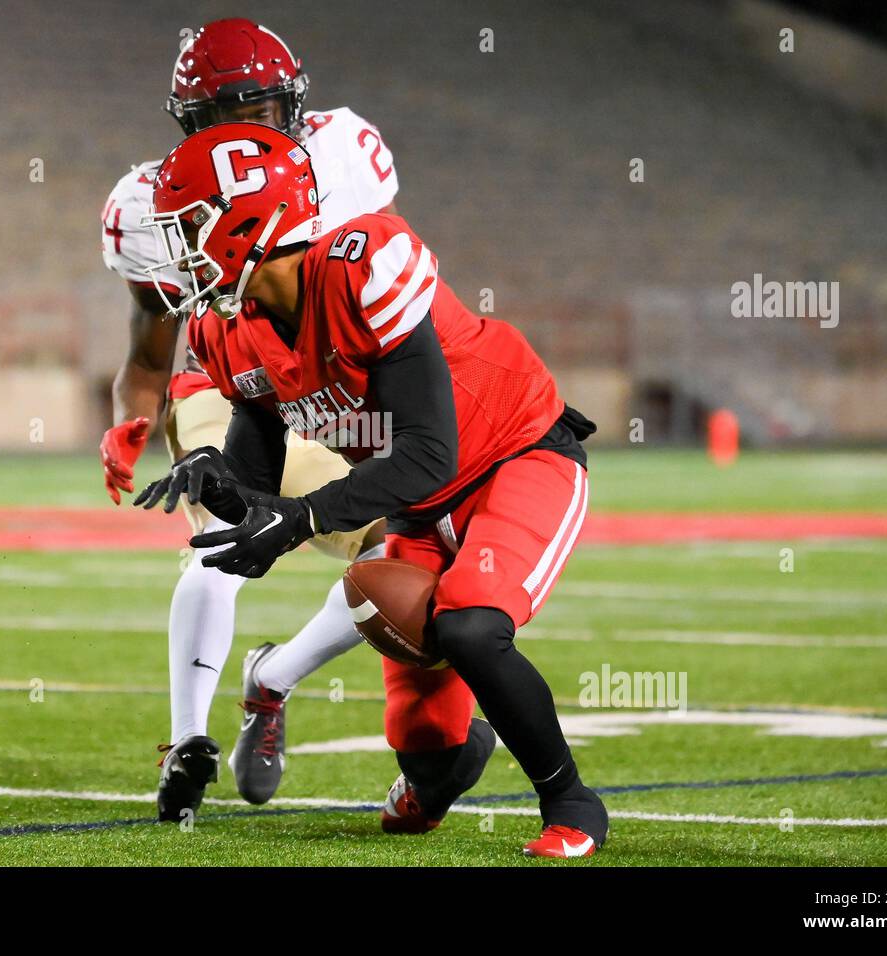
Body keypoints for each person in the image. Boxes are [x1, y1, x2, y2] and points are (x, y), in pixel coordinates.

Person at [135, 122, 609, 858]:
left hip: (515, 455)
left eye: (192, 224)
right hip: (423, 504)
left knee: (471, 628)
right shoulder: (231, 332)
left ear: (246, 222)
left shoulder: (361, 266)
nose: (182, 249)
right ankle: (443, 770)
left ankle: (572, 802)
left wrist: (301, 520)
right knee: (427, 751)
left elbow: (426, 450)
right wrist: (219, 484)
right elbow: (260, 500)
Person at [97, 19, 400, 820]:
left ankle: (274, 678)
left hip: (332, 384)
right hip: (225, 382)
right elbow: (151, 356)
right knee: (225, 526)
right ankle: (186, 737)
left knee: (402, 560)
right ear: (188, 126)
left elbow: (384, 284)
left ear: (293, 105)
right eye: (224, 115)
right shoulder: (150, 204)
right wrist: (132, 420)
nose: (244, 135)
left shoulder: (346, 151)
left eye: (259, 112)